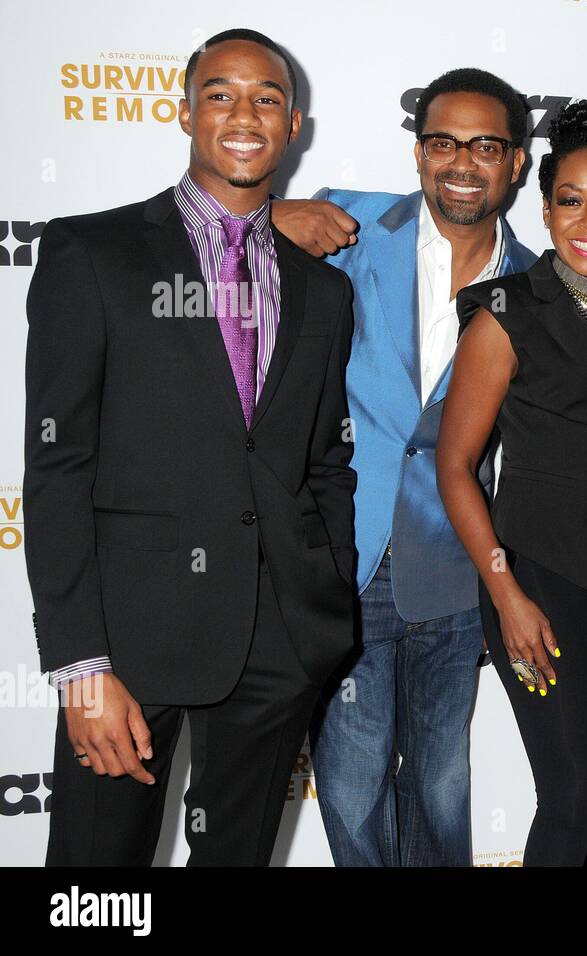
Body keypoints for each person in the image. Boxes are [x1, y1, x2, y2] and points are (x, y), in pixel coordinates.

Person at [26, 29, 356, 865]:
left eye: (267, 98)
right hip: (127, 646)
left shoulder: (323, 287)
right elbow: (58, 464)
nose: (245, 113)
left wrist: (322, 612)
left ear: (295, 124)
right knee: (95, 887)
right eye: (221, 93)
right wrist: (80, 665)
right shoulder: (92, 253)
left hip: (276, 640)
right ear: (184, 112)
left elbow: (322, 463)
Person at [270, 68, 536, 867]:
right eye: (443, 143)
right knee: (351, 788)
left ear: (516, 162)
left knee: (441, 782)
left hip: (456, 565)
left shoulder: (536, 289)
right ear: (419, 154)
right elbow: (211, 245)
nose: (462, 162)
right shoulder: (346, 224)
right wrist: (267, 215)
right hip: (340, 554)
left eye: (485, 145)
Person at [438, 101, 587, 866]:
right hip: (537, 574)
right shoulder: (505, 314)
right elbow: (455, 466)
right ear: (544, 210)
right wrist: (506, 594)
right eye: (571, 200)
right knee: (570, 788)